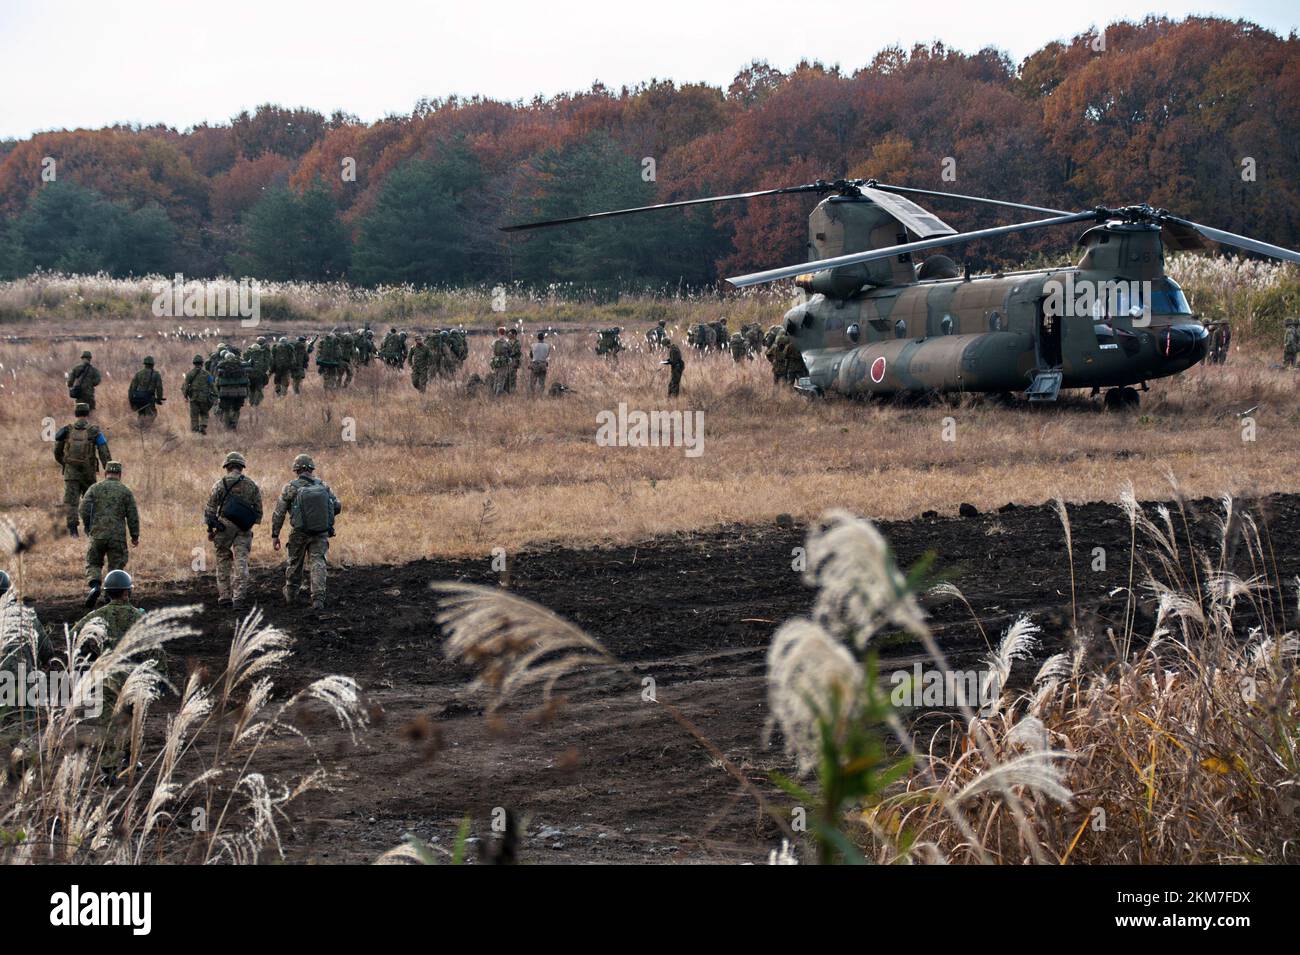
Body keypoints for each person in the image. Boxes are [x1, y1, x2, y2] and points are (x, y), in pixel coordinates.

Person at [271, 454, 341, 612]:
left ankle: (291, 596)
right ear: (311, 468)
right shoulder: (323, 485)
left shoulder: (290, 487)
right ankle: (318, 599)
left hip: (299, 532)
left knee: (295, 563)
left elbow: (279, 513)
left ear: (296, 469)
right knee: (318, 562)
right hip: (321, 532)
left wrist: (275, 534)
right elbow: (337, 506)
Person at [205, 451, 263, 610]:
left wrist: (211, 529)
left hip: (224, 526)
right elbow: (258, 511)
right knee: (241, 561)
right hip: (244, 527)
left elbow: (210, 509)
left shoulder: (219, 484)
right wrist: (247, 524)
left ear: (227, 467)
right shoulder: (251, 485)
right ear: (241, 467)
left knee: (223, 559)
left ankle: (224, 596)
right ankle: (239, 598)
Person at [80, 461, 140, 608]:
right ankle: (110, 596)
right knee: (116, 567)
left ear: (106, 473)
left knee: (93, 562)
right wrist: (135, 535)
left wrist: (89, 526)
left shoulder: (94, 489)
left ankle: (95, 586)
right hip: (117, 537)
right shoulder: (125, 491)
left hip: (97, 535)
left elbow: (84, 509)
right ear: (119, 474)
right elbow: (132, 515)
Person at [54, 402, 111, 537]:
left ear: (76, 414)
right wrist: (108, 468)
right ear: (87, 413)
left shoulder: (67, 430)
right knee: (90, 500)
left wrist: (65, 463)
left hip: (70, 473)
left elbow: (57, 451)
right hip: (88, 472)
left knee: (71, 502)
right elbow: (104, 451)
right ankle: (89, 527)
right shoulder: (94, 431)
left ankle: (73, 530)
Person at [71, 569, 144, 649]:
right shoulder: (140, 616)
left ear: (107, 592)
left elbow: (72, 636)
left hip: (105, 661)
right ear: (126, 593)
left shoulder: (95, 616)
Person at [215, 350, 250, 430]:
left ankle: (227, 426)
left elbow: (217, 383)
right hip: (240, 392)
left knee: (226, 410)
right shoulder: (241, 368)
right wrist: (247, 393)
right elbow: (247, 382)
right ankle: (234, 422)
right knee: (236, 409)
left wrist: (218, 393)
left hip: (225, 392)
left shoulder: (222, 368)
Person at [182, 354, 216, 433]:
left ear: (194, 363)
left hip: (194, 398)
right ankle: (203, 425)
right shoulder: (207, 374)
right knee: (204, 413)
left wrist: (185, 396)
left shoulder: (190, 374)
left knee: (194, 415)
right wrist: (216, 394)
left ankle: (195, 430)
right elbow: (212, 384)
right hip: (204, 398)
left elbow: (186, 386)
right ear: (202, 363)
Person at [244, 337, 271, 406]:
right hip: (259, 375)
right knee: (259, 390)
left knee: (251, 390)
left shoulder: (248, 353)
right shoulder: (263, 353)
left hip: (249, 376)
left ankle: (251, 403)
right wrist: (263, 371)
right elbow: (266, 364)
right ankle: (256, 403)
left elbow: (244, 363)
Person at [490, 327, 511, 395]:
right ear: (504, 333)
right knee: (501, 380)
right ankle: (498, 395)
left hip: (496, 362)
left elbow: (492, 349)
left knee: (496, 379)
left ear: (498, 333)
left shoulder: (494, 342)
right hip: (503, 363)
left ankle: (493, 394)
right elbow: (510, 351)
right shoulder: (507, 342)